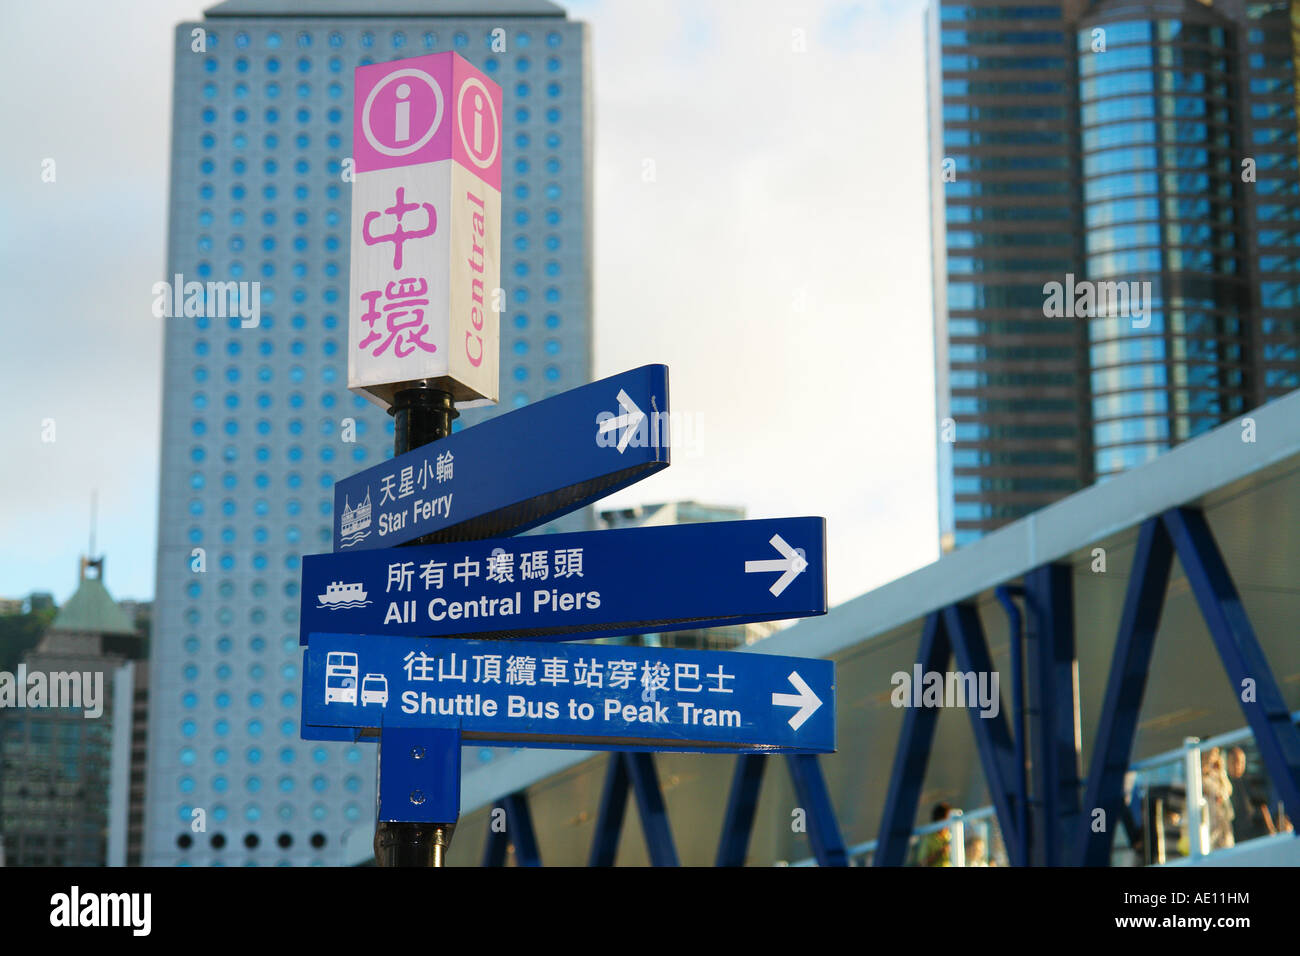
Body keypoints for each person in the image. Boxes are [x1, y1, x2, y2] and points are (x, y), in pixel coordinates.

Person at [1227, 746, 1278, 843]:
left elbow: (1263, 807)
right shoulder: (1224, 785)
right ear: (1228, 763)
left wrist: (1271, 828)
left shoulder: (1250, 782)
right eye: (1235, 761)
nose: (1238, 765)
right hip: (1236, 836)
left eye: (1241, 762)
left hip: (1255, 832)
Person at [1201, 746, 1234, 851]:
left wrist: (1221, 772)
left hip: (1222, 819)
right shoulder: (1199, 775)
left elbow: (1228, 789)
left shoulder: (1217, 773)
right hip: (1208, 818)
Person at [919, 802, 953, 867]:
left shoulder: (950, 836)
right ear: (939, 820)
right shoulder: (928, 838)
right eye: (947, 819)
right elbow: (921, 864)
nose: (949, 823)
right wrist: (941, 852)